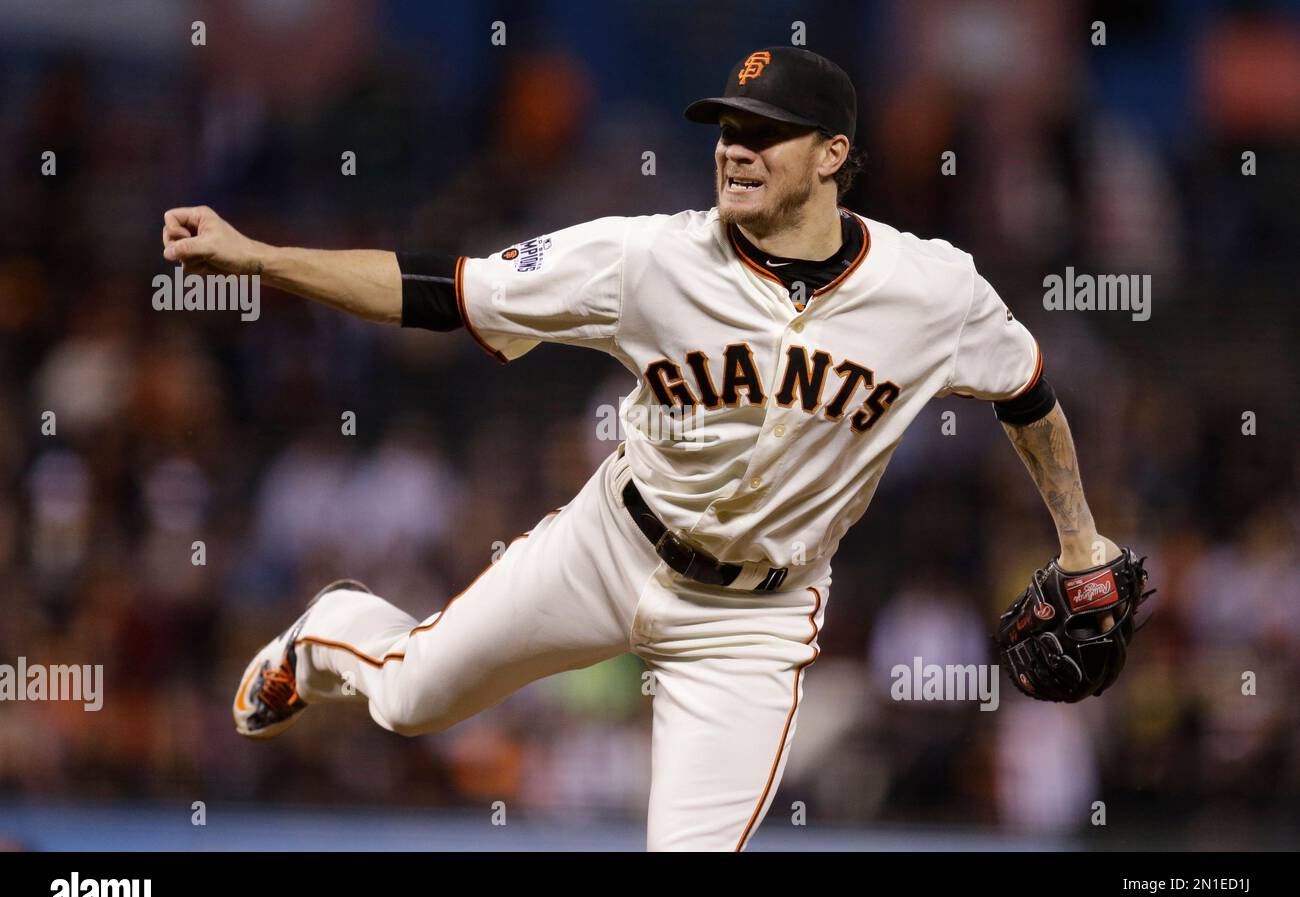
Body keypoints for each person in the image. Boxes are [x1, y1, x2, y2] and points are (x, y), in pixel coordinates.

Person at [161, 47, 1122, 851]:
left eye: (764, 134)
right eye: (726, 131)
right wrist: (260, 257)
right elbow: (441, 290)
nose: (735, 152)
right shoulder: (648, 259)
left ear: (833, 154)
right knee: (409, 698)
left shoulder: (933, 289)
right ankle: (330, 630)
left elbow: (1025, 388)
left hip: (752, 622)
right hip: (613, 545)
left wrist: (1080, 541)